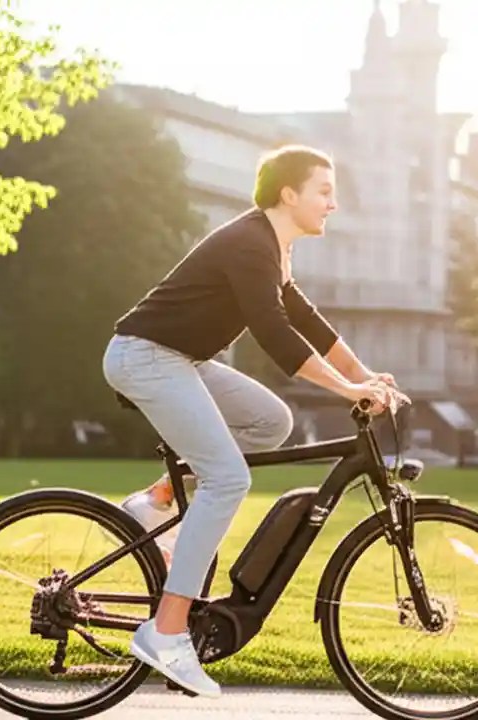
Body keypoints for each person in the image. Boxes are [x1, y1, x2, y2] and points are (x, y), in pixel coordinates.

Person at [102, 144, 407, 698]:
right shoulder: (250, 245)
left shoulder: (272, 248)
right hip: (145, 357)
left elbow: (303, 319)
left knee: (271, 421)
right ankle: (167, 633)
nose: (333, 204)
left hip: (178, 358)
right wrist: (347, 389)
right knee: (228, 480)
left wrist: (367, 376)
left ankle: (157, 499)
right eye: (324, 191)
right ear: (288, 195)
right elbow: (273, 332)